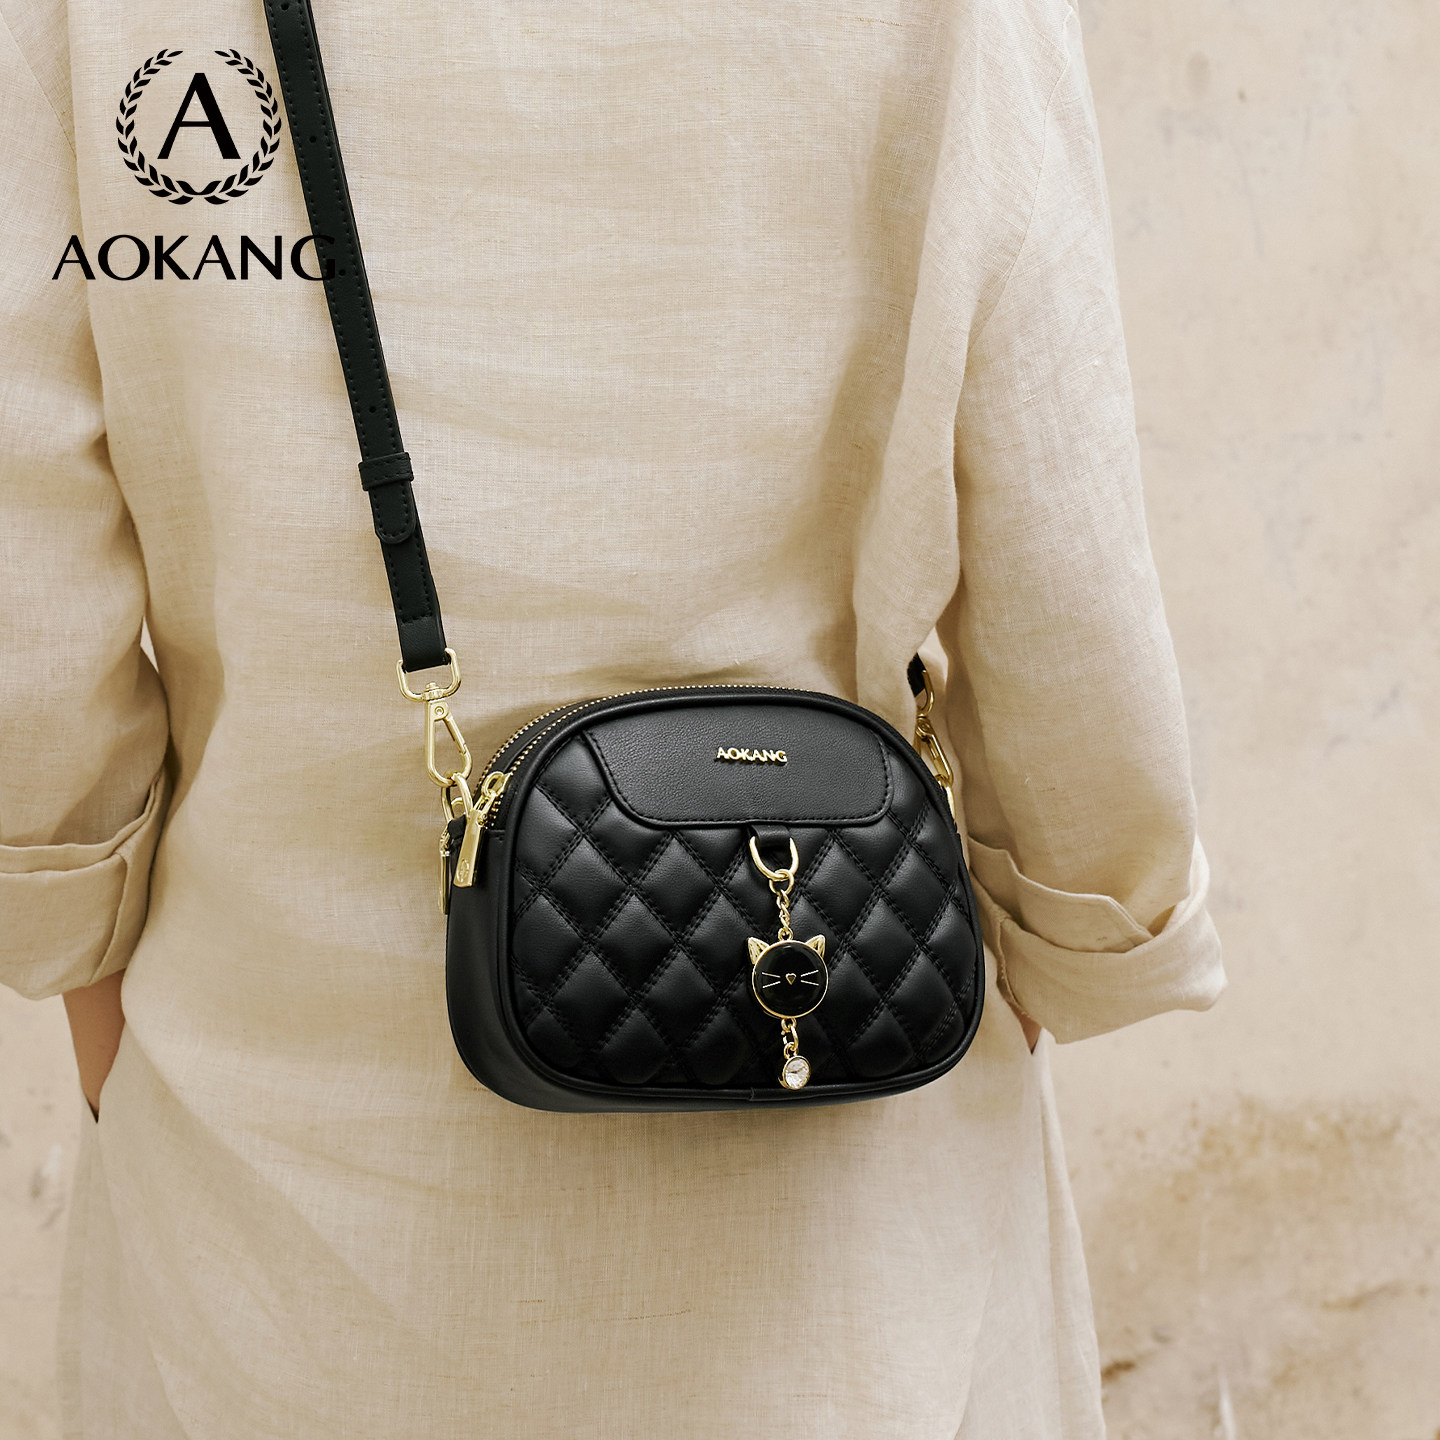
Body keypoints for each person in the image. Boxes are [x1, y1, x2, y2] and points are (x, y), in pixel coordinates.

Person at [0, 0, 1224, 1434]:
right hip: (844, 1186)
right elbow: (1061, 557)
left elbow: (30, 601)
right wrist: (1077, 939)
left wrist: (84, 976)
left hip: (275, 1189)